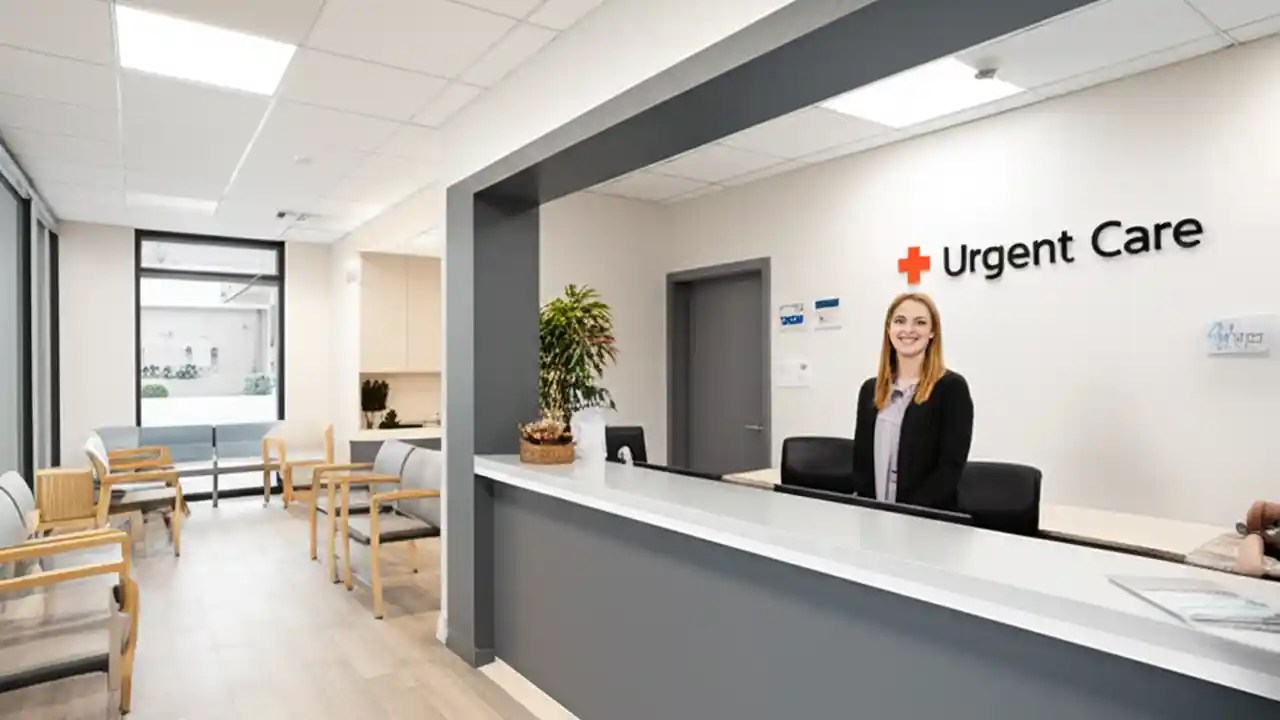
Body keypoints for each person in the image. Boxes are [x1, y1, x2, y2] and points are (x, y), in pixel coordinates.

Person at [851, 293, 973, 510]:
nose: (908, 330)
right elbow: (861, 462)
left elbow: (950, 468)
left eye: (920, 322)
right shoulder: (870, 389)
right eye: (899, 321)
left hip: (925, 521)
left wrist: (907, 514)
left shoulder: (951, 388)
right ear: (889, 330)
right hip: (873, 517)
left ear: (932, 332)